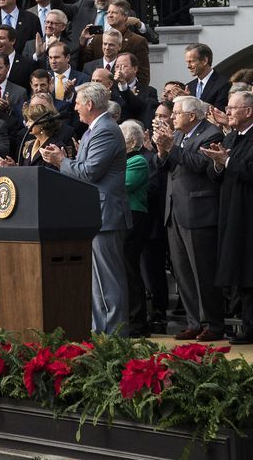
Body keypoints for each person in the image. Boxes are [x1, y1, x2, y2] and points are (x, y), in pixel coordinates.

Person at [40, 83, 132, 334]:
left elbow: (89, 172)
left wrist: (61, 161)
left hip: (106, 216)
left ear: (90, 104)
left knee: (108, 281)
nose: (76, 108)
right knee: (96, 282)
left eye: (78, 103)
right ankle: (99, 333)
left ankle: (114, 336)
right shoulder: (95, 129)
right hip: (94, 215)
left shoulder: (105, 130)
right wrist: (66, 159)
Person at [153, 96, 224, 342]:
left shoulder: (211, 133)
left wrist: (171, 148)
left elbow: (200, 164)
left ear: (192, 116)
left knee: (202, 271)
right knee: (183, 272)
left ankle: (213, 323)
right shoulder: (180, 136)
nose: (172, 117)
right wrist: (162, 151)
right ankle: (194, 322)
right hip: (174, 211)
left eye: (176, 113)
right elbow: (165, 168)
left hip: (199, 212)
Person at [201, 90, 253, 345]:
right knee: (239, 272)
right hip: (231, 212)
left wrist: (228, 160)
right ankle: (247, 325)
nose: (228, 111)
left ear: (248, 111)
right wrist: (219, 164)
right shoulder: (231, 137)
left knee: (249, 270)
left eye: (233, 108)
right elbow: (217, 177)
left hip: (249, 215)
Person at [119, 120, 151, 337]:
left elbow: (124, 184)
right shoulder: (122, 160)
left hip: (134, 216)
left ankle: (138, 322)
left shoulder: (138, 160)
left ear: (130, 141)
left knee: (130, 268)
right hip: (121, 217)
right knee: (122, 268)